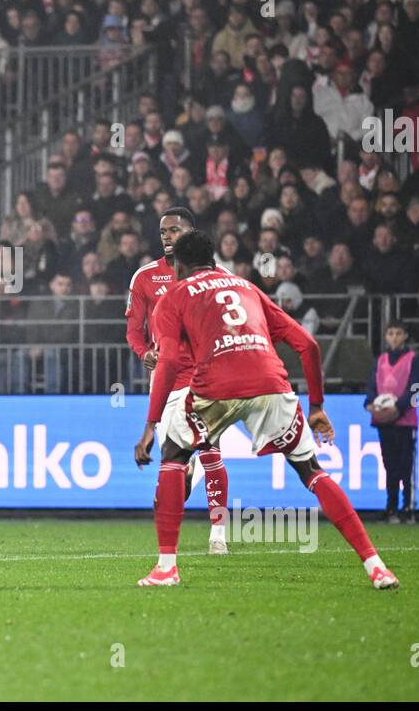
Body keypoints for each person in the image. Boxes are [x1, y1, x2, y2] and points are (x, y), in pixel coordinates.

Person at [135, 230, 399, 590]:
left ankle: (166, 568)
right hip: (270, 384)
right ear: (213, 260)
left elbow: (165, 363)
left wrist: (151, 423)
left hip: (214, 386)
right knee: (312, 472)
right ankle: (376, 566)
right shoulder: (247, 287)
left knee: (174, 455)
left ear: (179, 266)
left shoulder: (175, 296)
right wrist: (317, 406)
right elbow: (307, 345)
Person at [125, 206, 230, 578]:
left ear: (190, 233)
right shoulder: (145, 277)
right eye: (163, 231)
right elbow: (134, 330)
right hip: (166, 378)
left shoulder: (217, 277)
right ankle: (170, 544)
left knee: (210, 449)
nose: (167, 236)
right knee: (174, 459)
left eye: (174, 230)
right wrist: (145, 353)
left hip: (206, 375)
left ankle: (218, 533)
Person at [364, 322, 419, 524]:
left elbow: (418, 390)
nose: (394, 337)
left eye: (398, 333)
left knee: (406, 466)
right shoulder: (380, 360)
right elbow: (371, 386)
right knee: (389, 466)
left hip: (405, 420)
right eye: (391, 333)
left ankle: (408, 507)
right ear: (386, 336)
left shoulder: (413, 359)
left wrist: (397, 407)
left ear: (405, 335)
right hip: (384, 421)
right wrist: (370, 404)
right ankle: (391, 507)